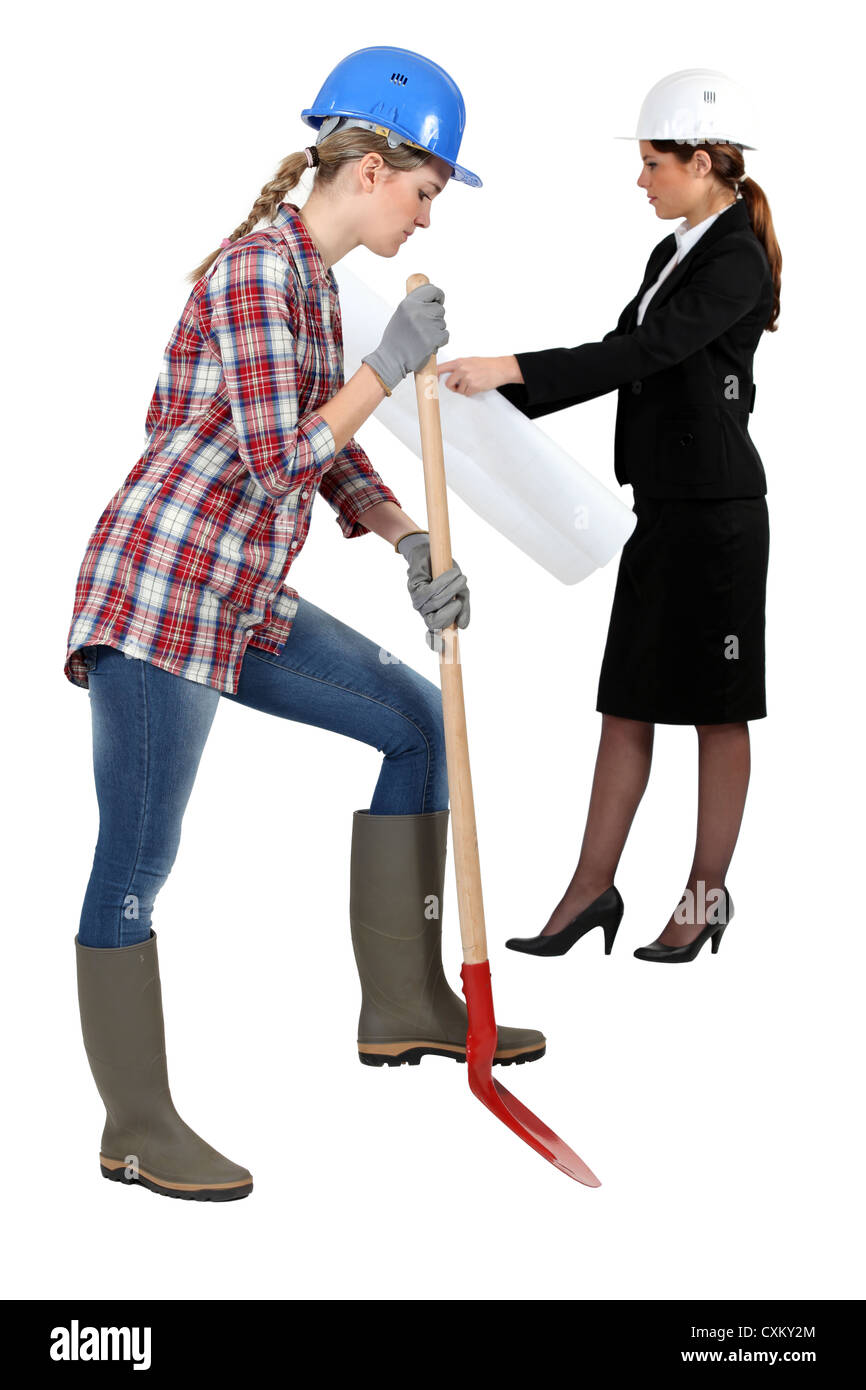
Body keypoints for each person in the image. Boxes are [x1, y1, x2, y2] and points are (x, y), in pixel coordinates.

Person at [64, 46, 545, 1203]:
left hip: (243, 597)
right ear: (374, 165)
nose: (428, 219)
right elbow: (284, 449)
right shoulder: (251, 272)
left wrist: (405, 542)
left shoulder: (314, 286)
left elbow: (321, 465)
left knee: (415, 722)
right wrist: (389, 367)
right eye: (426, 192)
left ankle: (402, 1003)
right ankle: (133, 1125)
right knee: (138, 859)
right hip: (164, 594)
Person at [436, 69, 782, 965]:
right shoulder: (672, 253)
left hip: (719, 523)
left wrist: (513, 367)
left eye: (653, 163)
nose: (642, 181)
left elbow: (647, 350)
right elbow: (632, 360)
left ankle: (705, 900)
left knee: (716, 714)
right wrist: (500, 398)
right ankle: (591, 890)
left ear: (702, 162)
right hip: (661, 514)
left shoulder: (735, 256)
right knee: (625, 703)